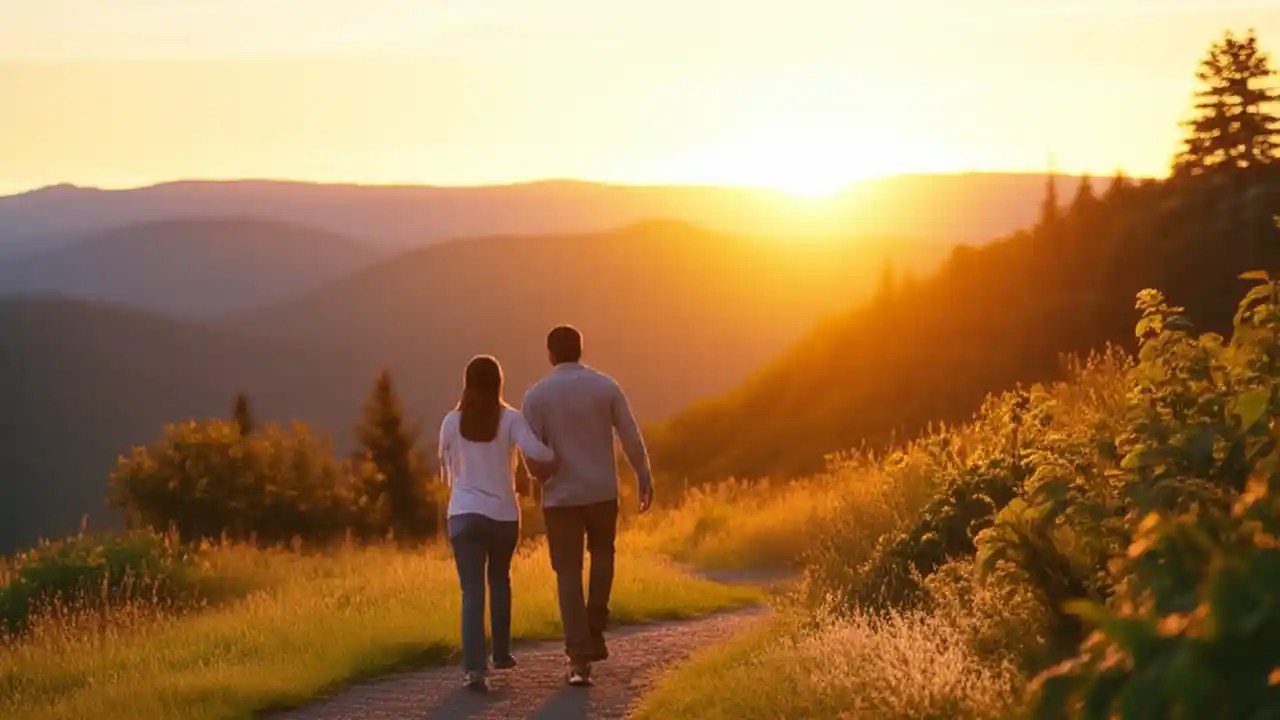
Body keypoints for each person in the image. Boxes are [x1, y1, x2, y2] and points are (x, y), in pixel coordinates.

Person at [523, 325, 654, 687]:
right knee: (603, 555)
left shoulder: (536, 396)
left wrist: (536, 486)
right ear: (581, 350)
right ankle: (595, 624)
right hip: (601, 492)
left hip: (560, 497)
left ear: (550, 354)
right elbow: (630, 435)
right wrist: (643, 475)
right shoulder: (606, 387)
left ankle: (579, 658)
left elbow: (531, 454)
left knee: (567, 573)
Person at [439, 355, 556, 693]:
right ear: (498, 382)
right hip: (503, 516)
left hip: (463, 515)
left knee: (471, 592)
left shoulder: (451, 421)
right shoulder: (511, 419)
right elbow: (540, 453)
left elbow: (447, 468)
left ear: (467, 382)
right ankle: (502, 655)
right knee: (500, 582)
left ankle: (475, 671)